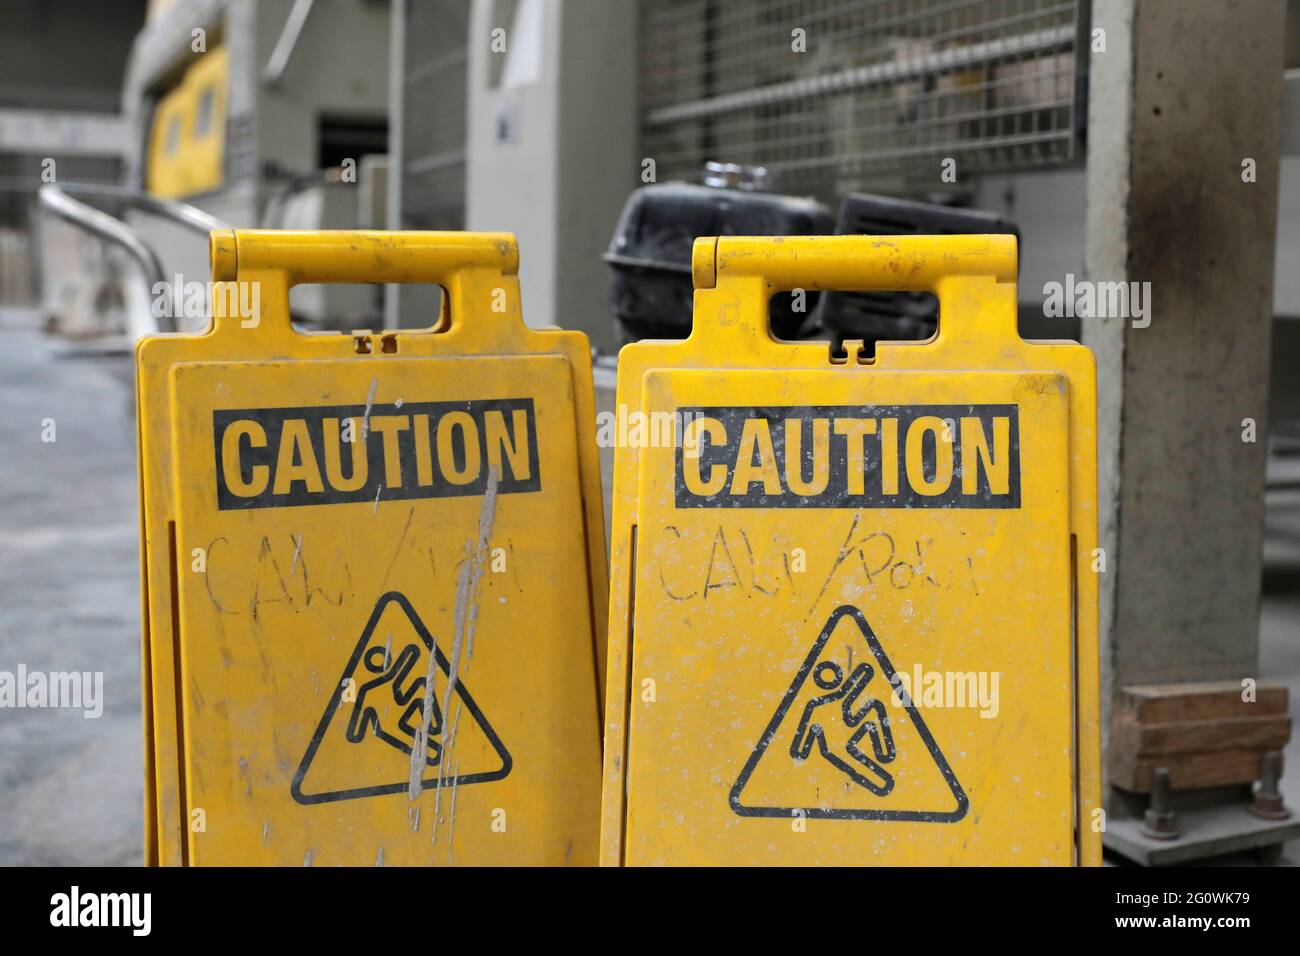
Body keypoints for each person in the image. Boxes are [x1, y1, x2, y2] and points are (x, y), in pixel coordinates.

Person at [790, 659, 896, 795]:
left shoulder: (828, 706)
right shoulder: (820, 708)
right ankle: (879, 776)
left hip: (845, 744)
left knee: (862, 732)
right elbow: (800, 753)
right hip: (841, 748)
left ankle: (879, 775)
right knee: (853, 743)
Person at [346, 642, 443, 767]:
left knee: (418, 693)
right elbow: (356, 733)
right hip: (393, 722)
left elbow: (411, 656)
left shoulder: (371, 689)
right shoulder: (369, 692)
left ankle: (434, 732)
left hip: (397, 716)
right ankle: (434, 735)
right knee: (406, 721)